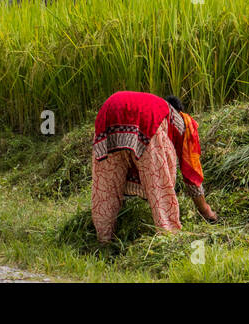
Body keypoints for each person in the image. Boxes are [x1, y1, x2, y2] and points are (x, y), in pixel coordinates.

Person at [90, 90, 216, 243]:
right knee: (161, 181)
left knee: (107, 183)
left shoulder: (153, 102)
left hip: (107, 111)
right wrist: (206, 210)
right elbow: (191, 171)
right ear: (179, 110)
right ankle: (168, 236)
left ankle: (104, 240)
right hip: (146, 119)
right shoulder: (184, 122)